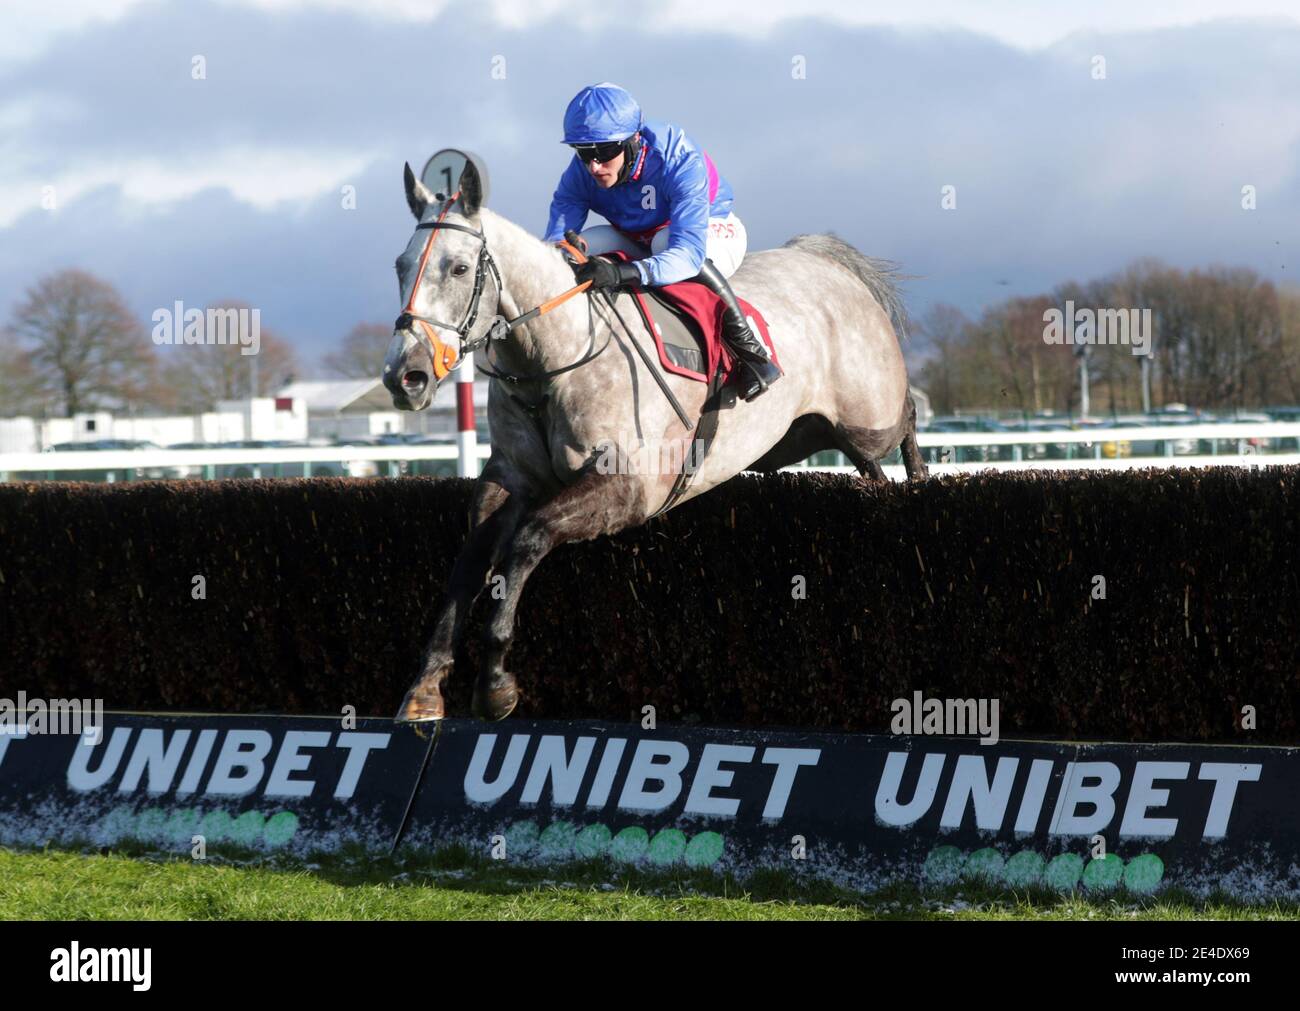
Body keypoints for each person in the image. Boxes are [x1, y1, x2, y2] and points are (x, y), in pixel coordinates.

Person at [542, 82, 782, 401]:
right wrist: (565, 252)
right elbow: (555, 244)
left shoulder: (678, 156)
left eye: (604, 152)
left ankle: (751, 352)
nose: (594, 166)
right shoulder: (581, 172)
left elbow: (687, 255)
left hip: (707, 231)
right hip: (639, 237)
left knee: (664, 243)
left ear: (634, 139)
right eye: (584, 153)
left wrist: (621, 274)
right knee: (577, 250)